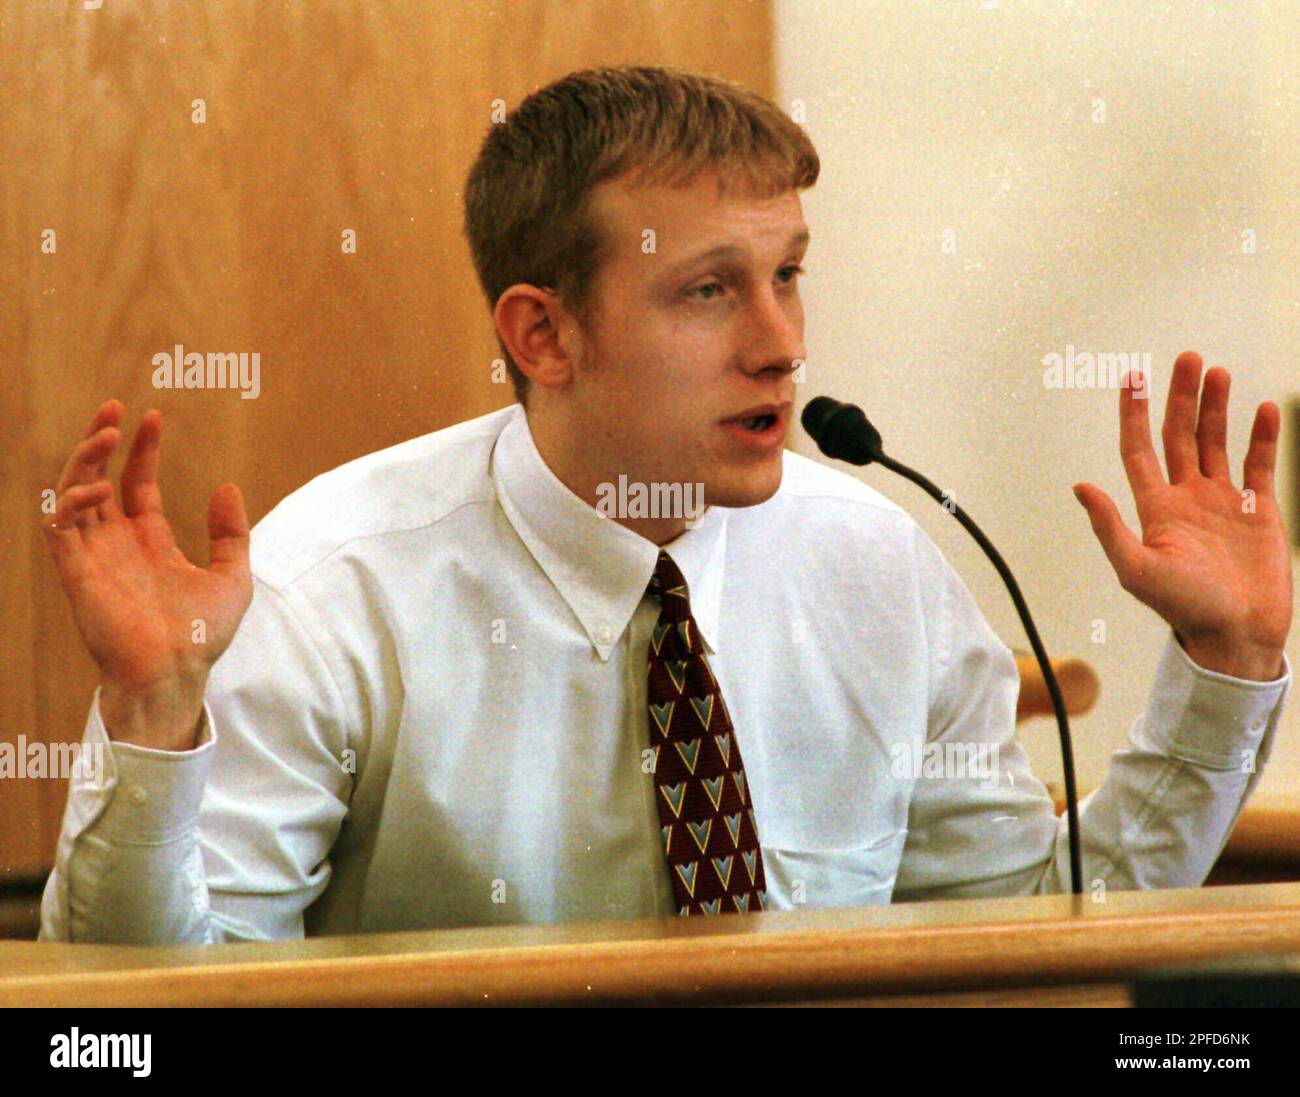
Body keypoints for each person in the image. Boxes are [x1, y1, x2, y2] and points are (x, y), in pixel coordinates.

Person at [39, 66, 1293, 943]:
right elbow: (147, 1009)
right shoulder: (332, 585)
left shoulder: (875, 564)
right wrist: (153, 714)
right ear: (544, 332)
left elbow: (1024, 935)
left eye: (789, 276)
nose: (781, 345)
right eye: (709, 291)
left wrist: (1225, 660)